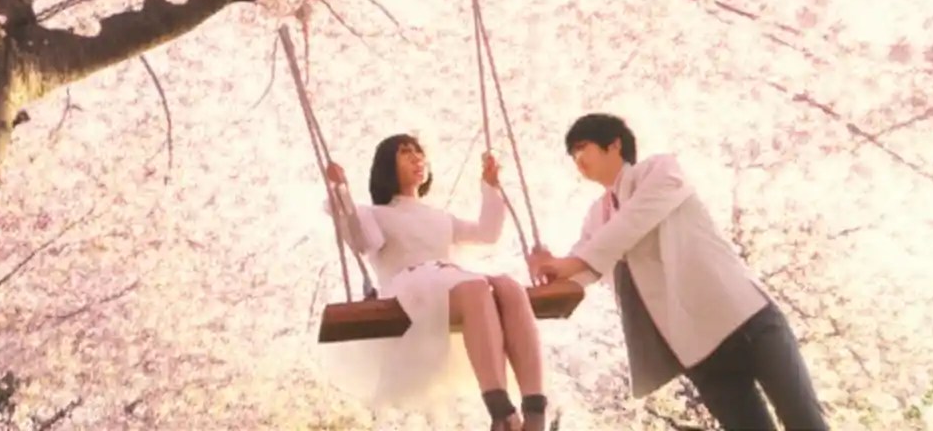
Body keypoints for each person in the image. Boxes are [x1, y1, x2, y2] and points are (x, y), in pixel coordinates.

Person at [528, 114, 827, 430]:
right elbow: (586, 267)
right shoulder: (596, 217)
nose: (577, 159)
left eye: (582, 147)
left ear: (614, 143)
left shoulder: (661, 170)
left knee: (806, 422)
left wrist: (571, 263)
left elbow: (629, 225)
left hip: (747, 319)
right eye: (572, 154)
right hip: (697, 349)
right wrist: (550, 269)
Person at [324, 133, 548, 431]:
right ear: (386, 165)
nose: (417, 158)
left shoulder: (439, 217)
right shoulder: (374, 213)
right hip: (410, 285)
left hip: (448, 280)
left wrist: (491, 187)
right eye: (406, 153)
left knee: (509, 286)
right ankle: (501, 411)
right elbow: (366, 241)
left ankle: (534, 411)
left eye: (419, 152)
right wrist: (341, 194)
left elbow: (487, 232)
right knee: (476, 287)